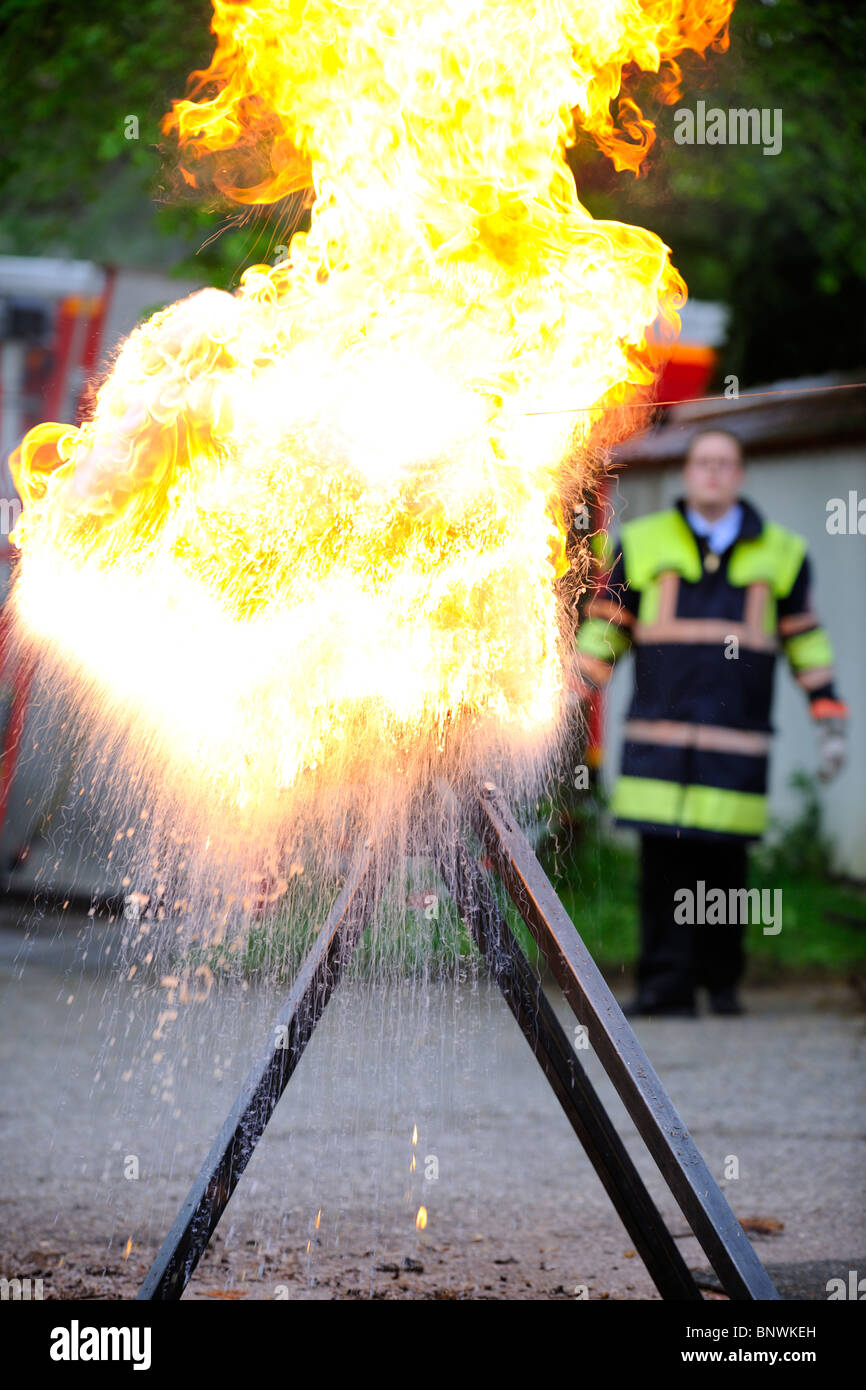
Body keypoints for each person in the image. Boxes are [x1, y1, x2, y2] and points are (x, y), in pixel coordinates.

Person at [573, 429, 849, 1016]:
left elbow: (806, 641)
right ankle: (663, 986)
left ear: (740, 476)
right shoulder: (641, 542)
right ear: (688, 475)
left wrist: (828, 716)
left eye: (725, 464)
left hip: (735, 744)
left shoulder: (782, 553)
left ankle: (721, 986)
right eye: (703, 464)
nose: (714, 474)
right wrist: (577, 684)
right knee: (662, 869)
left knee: (725, 870)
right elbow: (607, 621)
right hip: (660, 741)